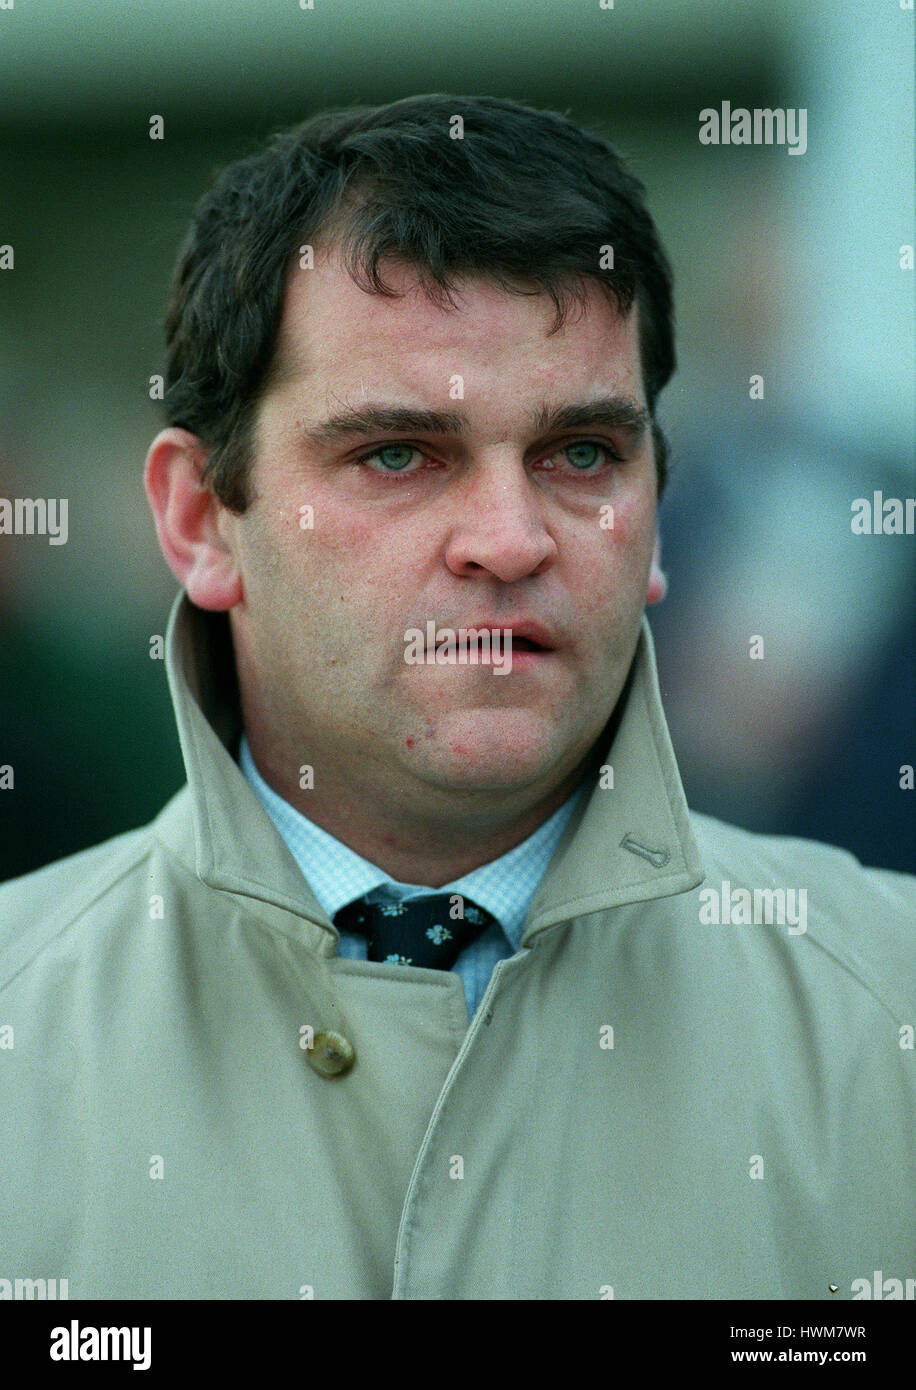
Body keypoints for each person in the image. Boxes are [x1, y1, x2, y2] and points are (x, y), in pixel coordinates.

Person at [1, 94, 913, 1301]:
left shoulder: (885, 1014)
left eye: (581, 453)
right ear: (200, 520)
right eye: (397, 454)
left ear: (654, 510)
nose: (509, 537)